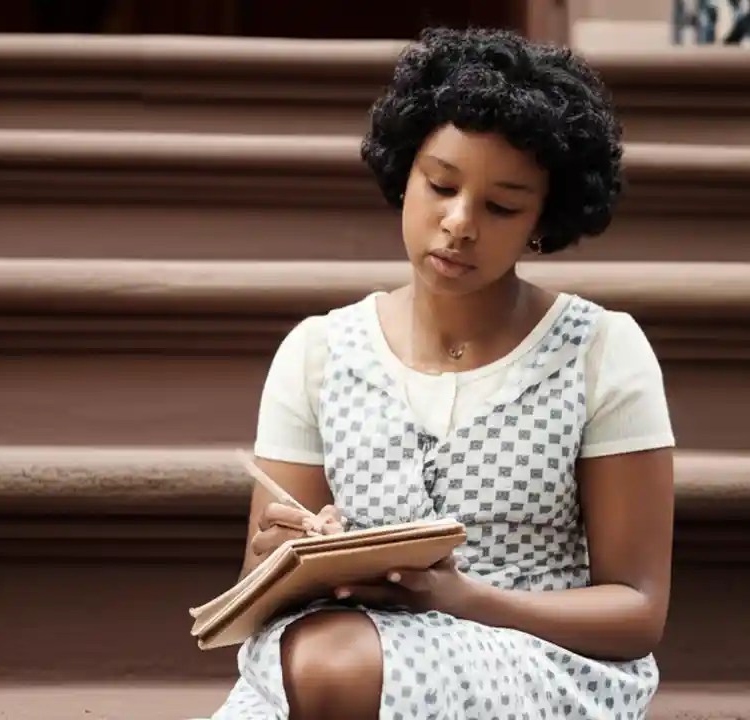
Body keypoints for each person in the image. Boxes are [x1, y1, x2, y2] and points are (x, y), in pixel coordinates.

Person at [209, 25, 675, 720]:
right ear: (405, 178)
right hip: (338, 650)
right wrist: (282, 558)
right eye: (441, 186)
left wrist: (467, 600)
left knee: (336, 670)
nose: (459, 223)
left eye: (501, 206)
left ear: (543, 222)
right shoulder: (318, 352)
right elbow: (257, 599)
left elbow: (637, 610)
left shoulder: (601, 350)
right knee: (323, 665)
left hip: (534, 658)